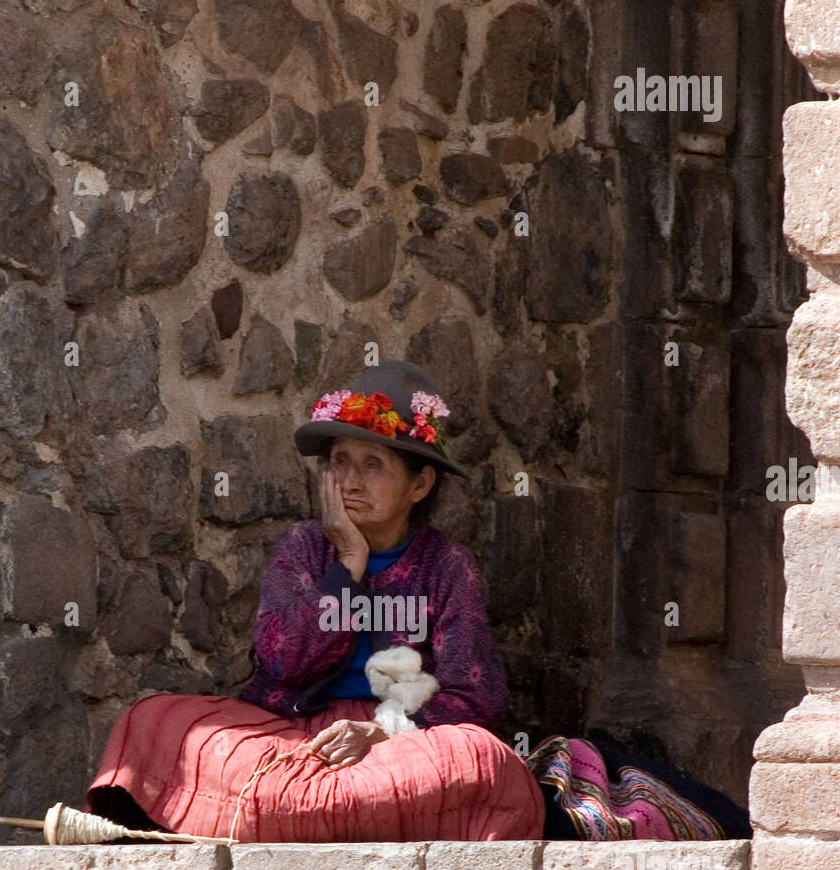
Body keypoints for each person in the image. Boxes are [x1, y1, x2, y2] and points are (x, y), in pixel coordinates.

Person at [86, 360, 751, 843]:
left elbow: (477, 702)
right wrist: (345, 569)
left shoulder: (446, 567)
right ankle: (310, 808)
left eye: (373, 465)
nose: (349, 480)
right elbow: (283, 662)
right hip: (293, 735)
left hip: (395, 749)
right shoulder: (302, 551)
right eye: (340, 462)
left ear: (419, 484)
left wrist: (383, 732)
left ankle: (288, 813)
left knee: (481, 763)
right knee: (151, 722)